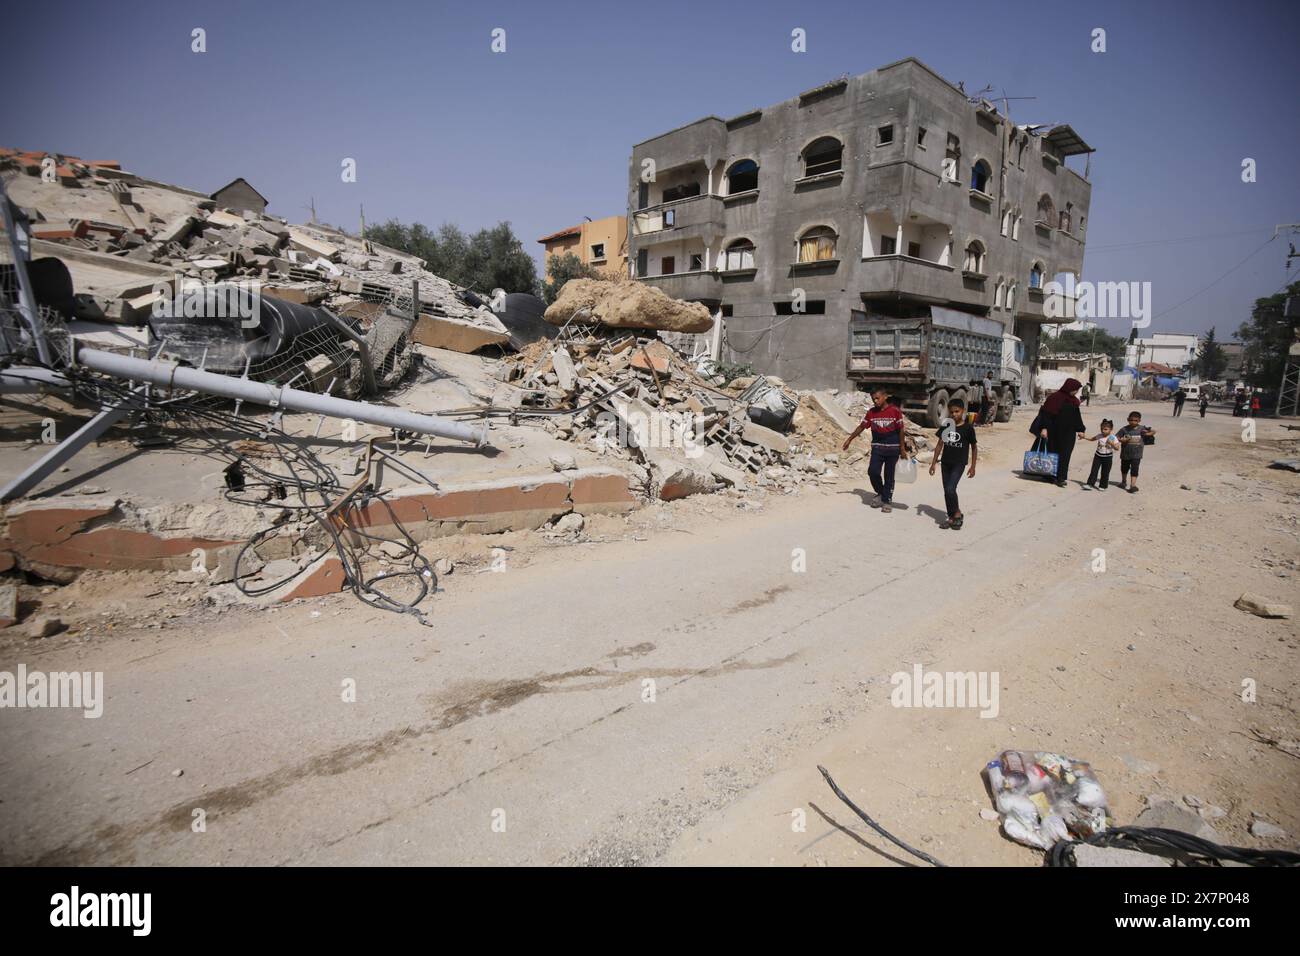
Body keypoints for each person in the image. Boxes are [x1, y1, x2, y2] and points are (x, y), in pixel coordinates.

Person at [843, 387, 910, 513]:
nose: (875, 401)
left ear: (885, 397)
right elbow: (862, 426)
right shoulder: (871, 412)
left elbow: (901, 430)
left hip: (892, 449)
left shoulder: (895, 411)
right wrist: (849, 439)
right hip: (878, 447)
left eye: (877, 398)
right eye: (873, 399)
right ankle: (881, 492)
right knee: (873, 472)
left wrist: (902, 448)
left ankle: (887, 501)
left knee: (889, 475)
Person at [929, 399, 977, 529]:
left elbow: (974, 447)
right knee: (947, 491)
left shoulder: (968, 428)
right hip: (945, 463)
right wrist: (933, 463)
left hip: (959, 464)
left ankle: (956, 513)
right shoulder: (946, 425)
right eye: (951, 412)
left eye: (957, 411)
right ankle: (952, 516)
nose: (954, 414)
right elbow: (939, 445)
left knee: (951, 488)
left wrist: (973, 466)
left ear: (963, 411)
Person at [1033, 378, 1087, 487]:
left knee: (1065, 455)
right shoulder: (1054, 398)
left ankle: (1061, 478)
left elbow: (1076, 417)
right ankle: (1050, 475)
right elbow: (1046, 415)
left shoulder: (1074, 401)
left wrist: (1081, 429)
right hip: (1054, 431)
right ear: (1069, 387)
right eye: (1075, 389)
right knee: (1052, 452)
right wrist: (1044, 428)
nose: (1076, 392)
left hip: (1068, 433)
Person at [1115, 411, 1154, 493]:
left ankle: (1133, 485)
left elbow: (1153, 431)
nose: (1133, 422)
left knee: (1135, 469)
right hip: (1125, 453)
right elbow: (1116, 437)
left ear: (1139, 420)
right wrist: (1122, 439)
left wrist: (1147, 434)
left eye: (1135, 420)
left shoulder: (1142, 428)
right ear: (1128, 419)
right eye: (1131, 420)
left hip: (1137, 454)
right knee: (1124, 468)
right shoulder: (1124, 429)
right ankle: (1123, 482)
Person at [1082, 419, 1120, 489]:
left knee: (1105, 472)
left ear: (1111, 429)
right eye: (1102, 429)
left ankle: (1103, 486)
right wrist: (1084, 437)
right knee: (1094, 470)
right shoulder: (1100, 435)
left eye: (1105, 429)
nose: (1103, 431)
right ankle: (1090, 484)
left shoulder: (1113, 437)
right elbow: (1092, 439)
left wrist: (1112, 443)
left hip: (1108, 457)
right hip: (1098, 456)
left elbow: (1117, 448)